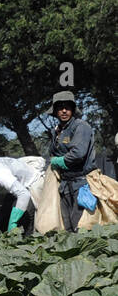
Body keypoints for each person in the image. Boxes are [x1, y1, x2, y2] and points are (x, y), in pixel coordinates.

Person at [46, 91, 97, 232]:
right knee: (67, 227)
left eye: (67, 107)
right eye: (60, 107)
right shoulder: (56, 132)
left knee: (81, 226)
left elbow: (78, 153)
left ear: (73, 110)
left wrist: (60, 161)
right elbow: (51, 155)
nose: (64, 111)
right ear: (55, 111)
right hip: (64, 185)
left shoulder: (81, 126)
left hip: (82, 184)